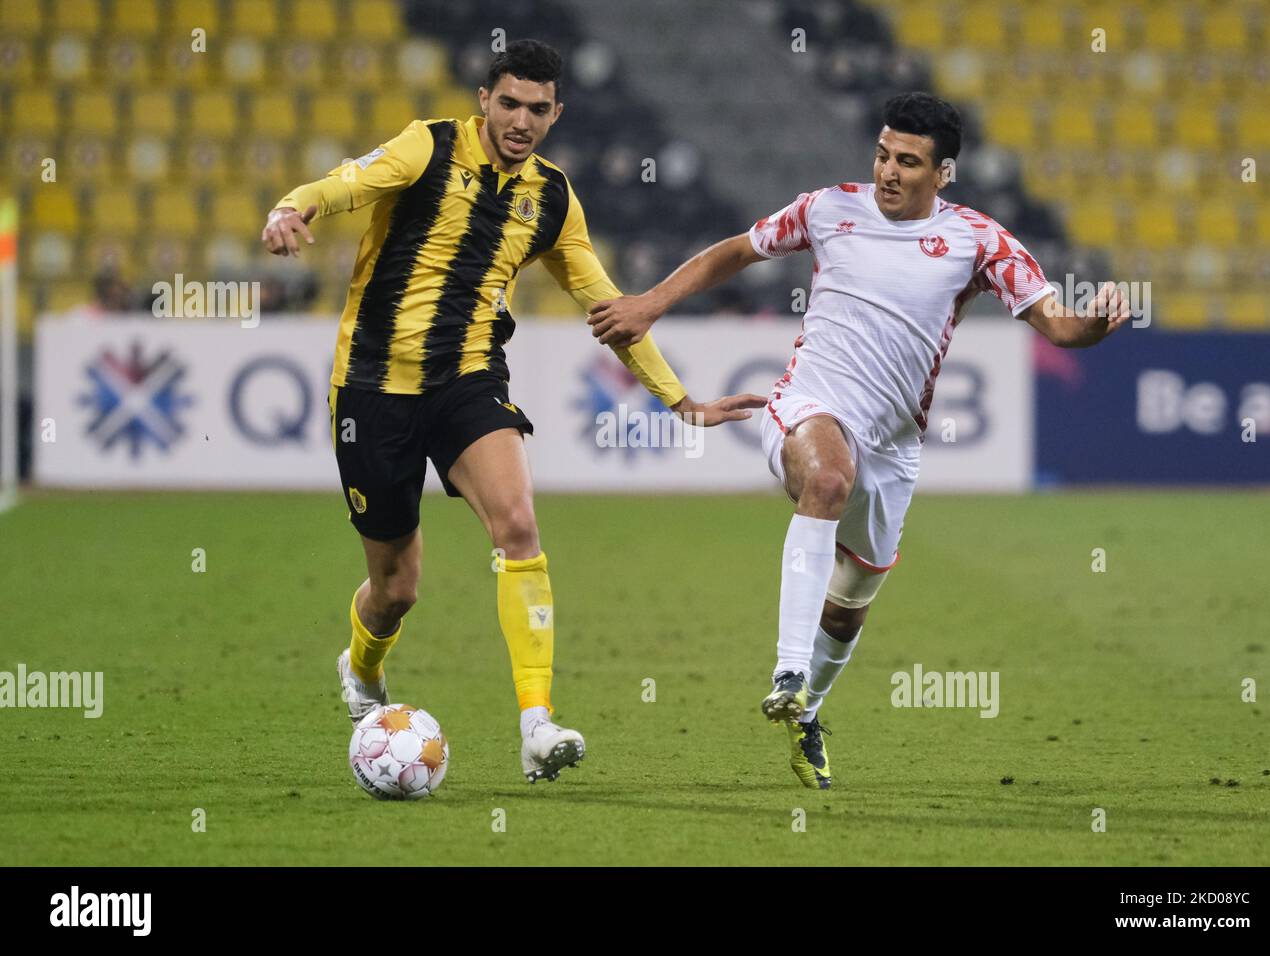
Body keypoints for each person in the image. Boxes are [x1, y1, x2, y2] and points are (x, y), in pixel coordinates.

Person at [587, 91, 1130, 789]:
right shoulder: (827, 208)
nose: (888, 172)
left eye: (908, 161)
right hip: (808, 405)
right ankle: (787, 669)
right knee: (826, 480)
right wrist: (650, 303)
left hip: (895, 445)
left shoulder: (979, 241)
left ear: (944, 173)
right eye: (882, 154)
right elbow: (738, 250)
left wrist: (1094, 325)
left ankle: (807, 707)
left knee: (851, 602)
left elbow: (1057, 324)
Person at [262, 39, 763, 783]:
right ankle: (361, 668)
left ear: (556, 112)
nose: (522, 120)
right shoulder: (428, 148)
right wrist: (289, 207)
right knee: (397, 588)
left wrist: (680, 400)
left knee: (519, 524)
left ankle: (535, 724)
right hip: (371, 387)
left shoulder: (552, 199)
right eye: (509, 104)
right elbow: (343, 186)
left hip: (467, 383)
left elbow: (611, 308)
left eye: (538, 108)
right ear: (484, 101)